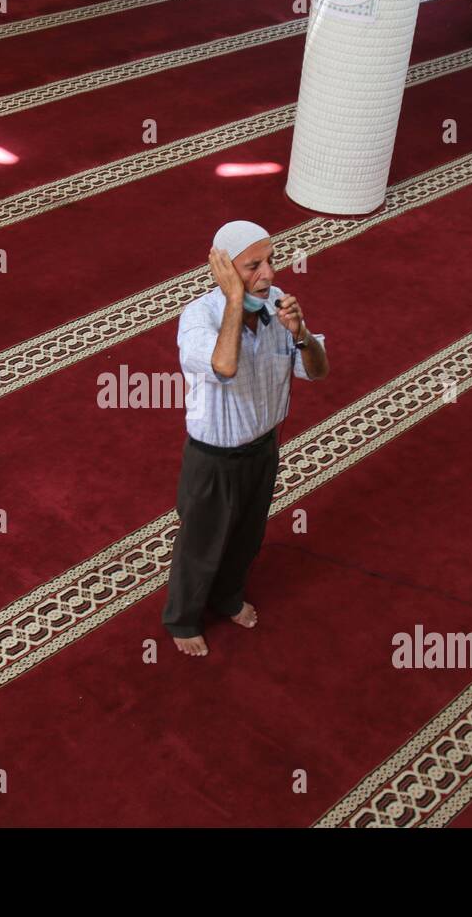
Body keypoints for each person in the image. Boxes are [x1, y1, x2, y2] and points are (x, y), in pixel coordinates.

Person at [162, 220, 329, 657]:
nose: (270, 273)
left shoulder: (278, 307)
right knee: (202, 542)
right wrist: (236, 299)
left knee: (247, 535)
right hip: (213, 457)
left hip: (263, 448)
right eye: (253, 265)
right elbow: (224, 366)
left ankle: (228, 597)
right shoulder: (199, 317)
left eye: (271, 260)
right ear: (224, 271)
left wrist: (303, 336)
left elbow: (317, 370)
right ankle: (183, 618)